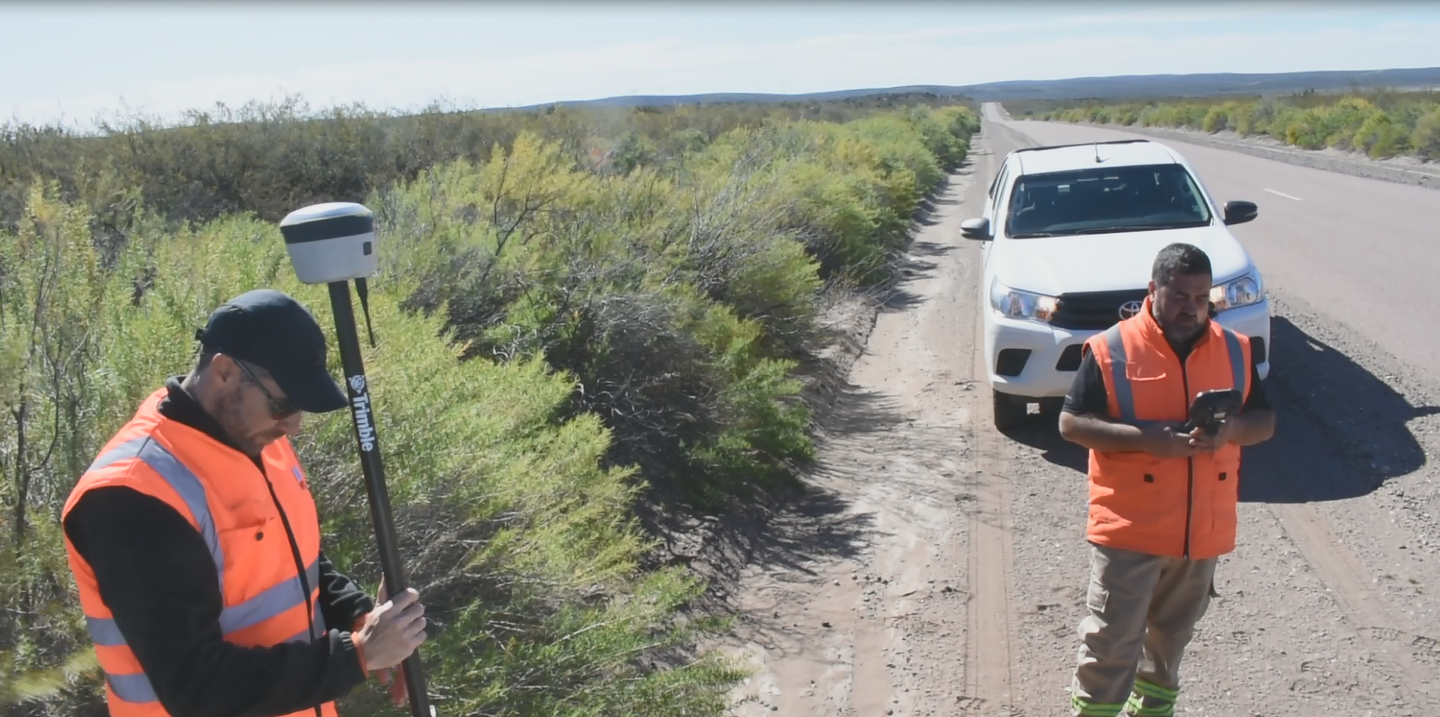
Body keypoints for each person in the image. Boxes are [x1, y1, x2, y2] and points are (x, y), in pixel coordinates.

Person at [61, 288, 428, 717]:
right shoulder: (131, 496)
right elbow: (196, 685)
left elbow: (293, 564)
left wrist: (360, 617)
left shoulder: (256, 437)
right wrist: (357, 655)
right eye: (284, 403)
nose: (294, 426)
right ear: (224, 372)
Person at [1057, 243, 1276, 717]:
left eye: (1202, 299)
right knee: (1112, 640)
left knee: (1170, 643)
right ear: (1152, 290)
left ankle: (1153, 710)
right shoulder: (1112, 347)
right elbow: (1071, 424)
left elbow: (1264, 422)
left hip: (1200, 534)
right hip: (1131, 529)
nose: (1191, 309)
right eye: (1179, 296)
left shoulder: (1235, 350)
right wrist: (1148, 438)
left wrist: (1231, 431)